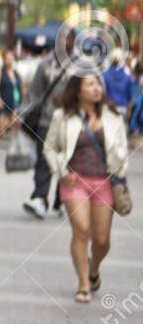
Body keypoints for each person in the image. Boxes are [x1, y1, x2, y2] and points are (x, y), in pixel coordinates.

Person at [43, 73, 128, 303]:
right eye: (90, 84)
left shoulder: (113, 116)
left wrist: (121, 171)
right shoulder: (63, 116)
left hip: (104, 183)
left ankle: (94, 268)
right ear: (77, 90)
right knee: (82, 229)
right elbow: (49, 147)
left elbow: (122, 147)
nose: (96, 88)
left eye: (98, 83)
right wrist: (61, 171)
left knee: (101, 240)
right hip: (75, 182)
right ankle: (83, 284)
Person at [22, 34, 78, 219]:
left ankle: (60, 201)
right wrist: (22, 112)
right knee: (44, 160)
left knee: (68, 162)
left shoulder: (82, 65)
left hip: (72, 123)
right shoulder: (46, 64)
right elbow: (34, 93)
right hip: (46, 120)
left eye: (68, 40)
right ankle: (40, 198)